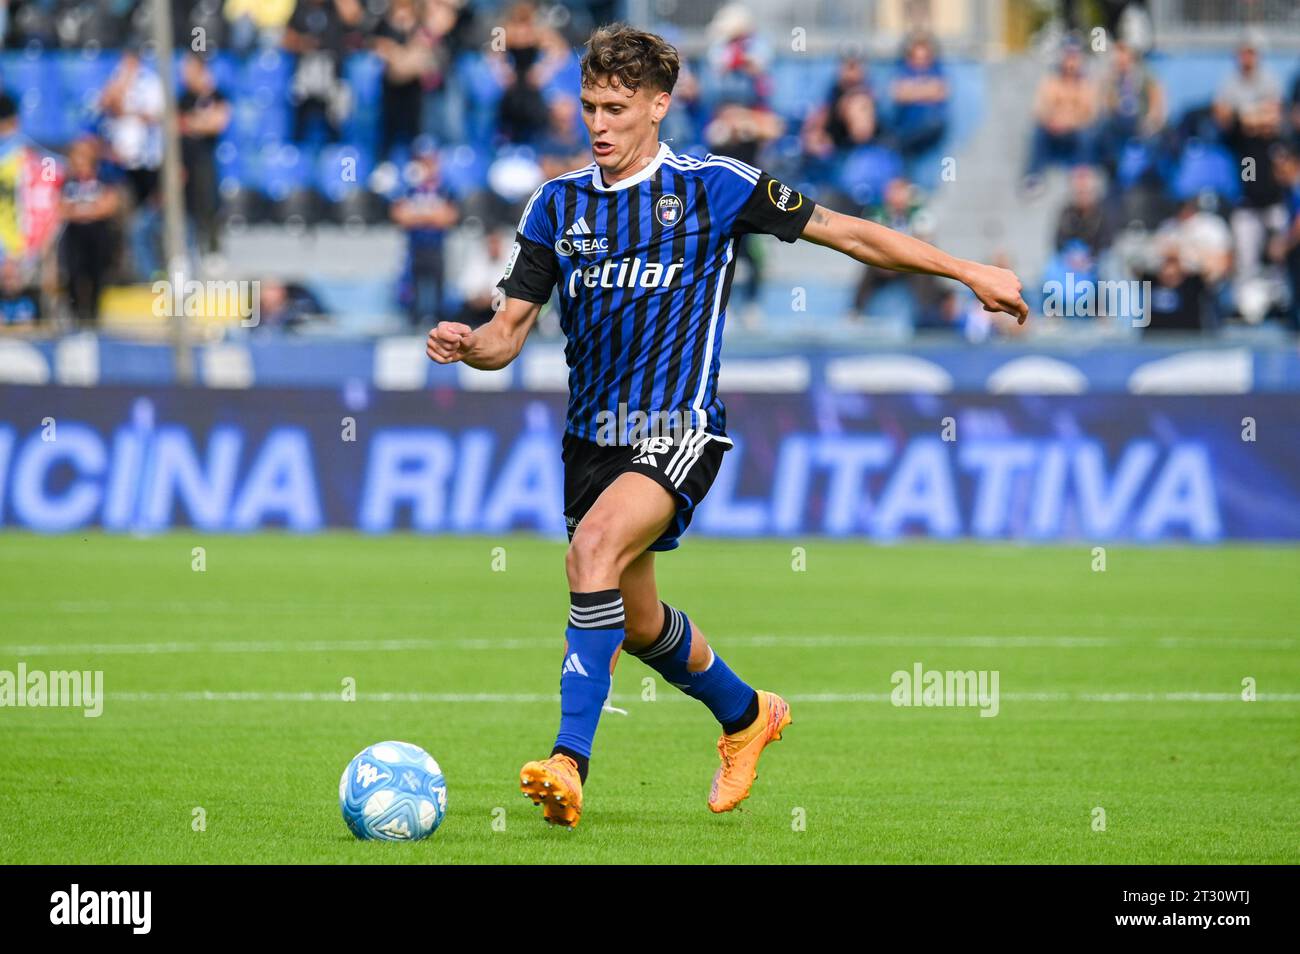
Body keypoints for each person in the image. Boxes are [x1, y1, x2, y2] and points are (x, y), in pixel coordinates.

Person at [425, 24, 1026, 830]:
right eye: (588, 106)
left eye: (616, 107)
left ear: (659, 105)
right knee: (635, 622)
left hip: (680, 429)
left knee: (590, 552)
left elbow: (848, 232)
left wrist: (968, 272)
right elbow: (507, 335)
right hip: (590, 441)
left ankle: (569, 761)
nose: (598, 124)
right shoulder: (556, 205)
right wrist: (471, 346)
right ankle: (747, 715)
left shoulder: (715, 187)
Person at [59, 136, 121, 327]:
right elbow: (60, 207)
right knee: (73, 273)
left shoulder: (104, 176)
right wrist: (88, 210)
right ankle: (75, 315)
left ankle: (94, 316)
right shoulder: (66, 180)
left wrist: (80, 210)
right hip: (74, 234)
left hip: (97, 233)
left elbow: (110, 205)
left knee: (96, 274)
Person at [178, 54, 231, 256]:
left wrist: (193, 122)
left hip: (205, 157)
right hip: (184, 157)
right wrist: (199, 122)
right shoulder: (183, 98)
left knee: (208, 200)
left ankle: (212, 247)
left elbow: (217, 123)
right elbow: (176, 124)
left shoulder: (216, 95)